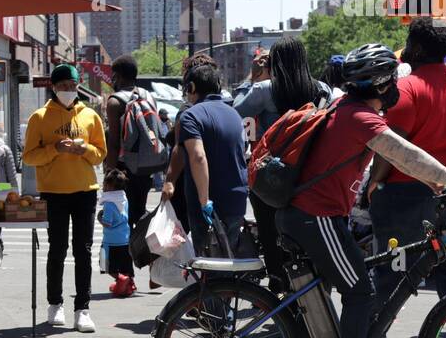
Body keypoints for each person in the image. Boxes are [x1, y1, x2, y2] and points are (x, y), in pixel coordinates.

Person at [279, 44, 446, 338]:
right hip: (317, 216)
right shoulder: (361, 118)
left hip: (312, 215)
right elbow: (405, 154)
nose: (398, 88)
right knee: (361, 293)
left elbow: (402, 158)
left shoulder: (346, 108)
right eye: (394, 80)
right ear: (382, 83)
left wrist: (436, 183)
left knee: (316, 300)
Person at [367, 18, 446, 303]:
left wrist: (375, 182)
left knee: (393, 271)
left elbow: (391, 147)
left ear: (416, 48)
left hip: (407, 193)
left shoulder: (406, 89)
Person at [236, 37, 330, 291]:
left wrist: (252, 77)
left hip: (271, 178)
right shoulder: (322, 90)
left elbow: (234, 115)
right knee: (306, 235)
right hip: (310, 176)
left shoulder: (264, 90)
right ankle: (308, 289)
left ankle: (279, 285)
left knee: (270, 235)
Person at [22, 64, 107, 332]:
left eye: (72, 86)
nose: (69, 91)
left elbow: (101, 153)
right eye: (63, 87)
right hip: (53, 192)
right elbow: (29, 156)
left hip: (85, 190)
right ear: (54, 87)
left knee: (83, 251)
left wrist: (85, 150)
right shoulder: (39, 117)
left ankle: (83, 308)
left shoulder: (91, 116)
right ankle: (55, 304)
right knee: (57, 249)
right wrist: (53, 149)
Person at [161, 62, 247, 255]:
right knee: (228, 261)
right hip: (237, 199)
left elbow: (198, 156)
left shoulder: (191, 115)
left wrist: (204, 200)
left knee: (209, 264)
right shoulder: (234, 114)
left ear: (191, 87)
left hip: (209, 204)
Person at [103, 54, 160, 287]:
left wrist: (110, 169)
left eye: (113, 75)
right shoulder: (149, 97)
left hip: (125, 169)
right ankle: (154, 268)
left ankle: (127, 276)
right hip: (146, 168)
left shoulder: (115, 101)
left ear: (118, 76)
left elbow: (115, 142)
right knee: (139, 214)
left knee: (124, 220)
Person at [99, 169, 134, 296]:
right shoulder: (124, 199)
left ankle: (121, 279)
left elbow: (107, 223)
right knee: (125, 265)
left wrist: (99, 218)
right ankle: (129, 284)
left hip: (111, 241)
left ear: (108, 186)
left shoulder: (109, 204)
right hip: (125, 239)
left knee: (105, 264)